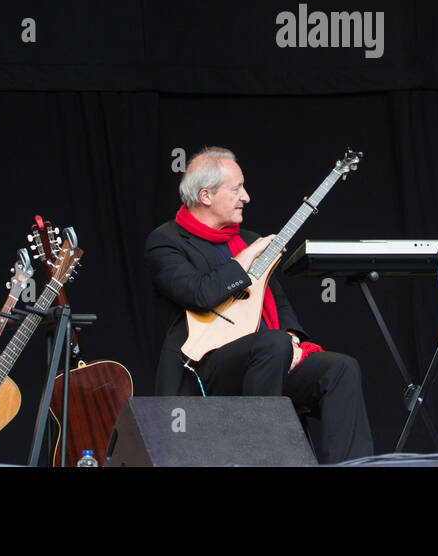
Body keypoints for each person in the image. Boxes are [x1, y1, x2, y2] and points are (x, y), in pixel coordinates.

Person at [145, 147, 372, 463]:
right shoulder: (167, 241)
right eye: (236, 189)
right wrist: (243, 261)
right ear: (206, 195)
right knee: (272, 344)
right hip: (202, 367)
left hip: (268, 358)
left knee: (339, 368)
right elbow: (197, 294)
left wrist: (293, 339)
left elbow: (276, 301)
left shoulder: (246, 237)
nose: (246, 197)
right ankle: (261, 456)